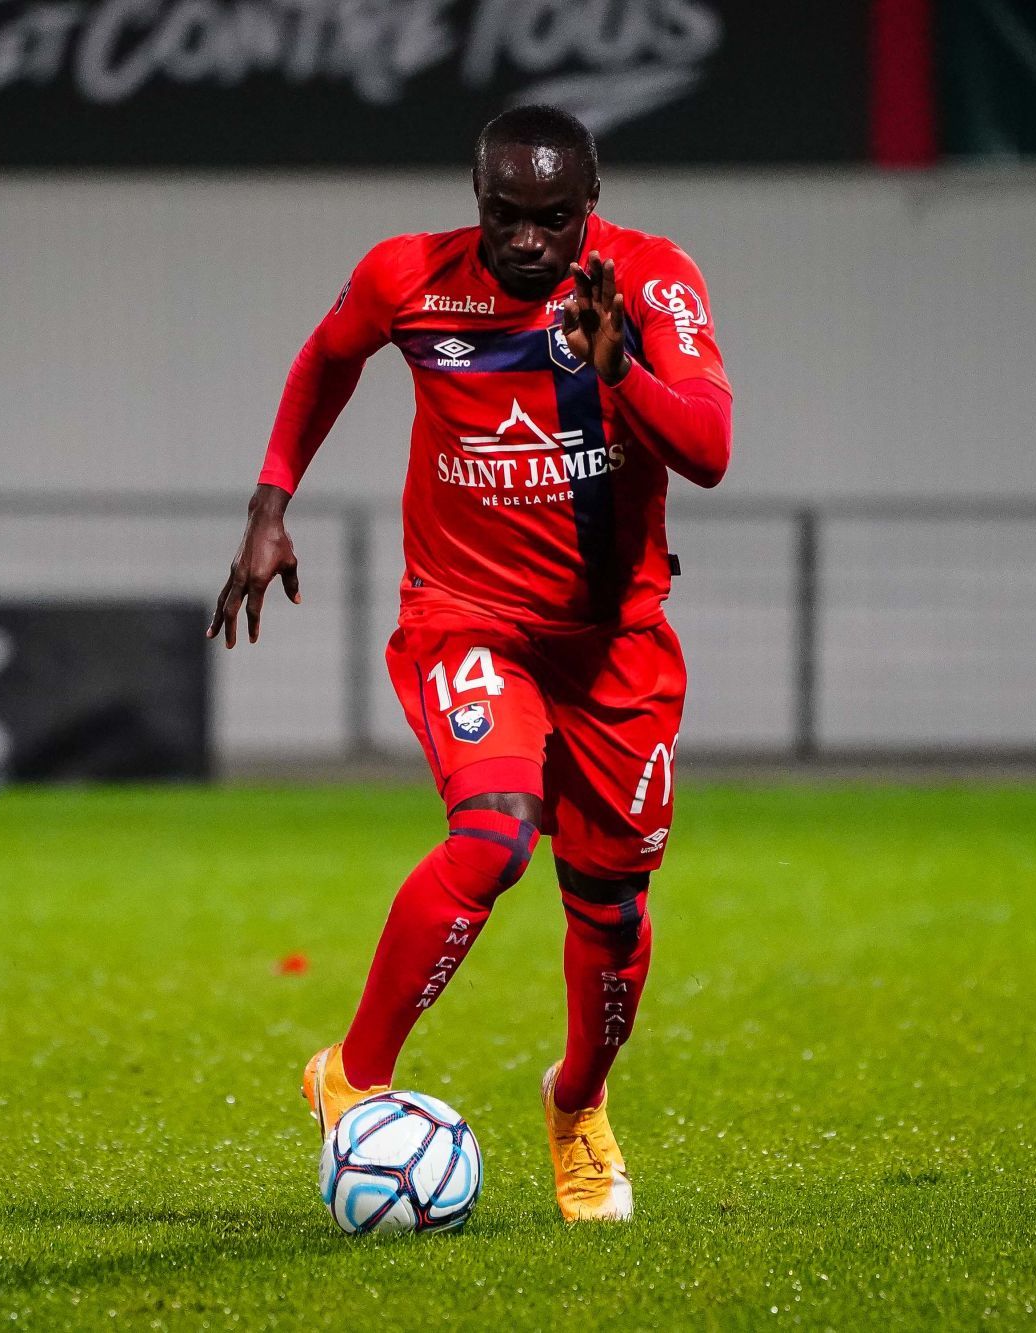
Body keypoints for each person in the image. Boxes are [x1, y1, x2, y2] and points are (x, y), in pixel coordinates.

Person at [208, 104, 732, 1223]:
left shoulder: (647, 281)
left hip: (612, 647)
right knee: (492, 834)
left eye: (553, 220)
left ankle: (576, 1103)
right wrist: (269, 503)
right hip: (467, 618)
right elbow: (324, 359)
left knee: (610, 911)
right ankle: (351, 1074)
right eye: (506, 215)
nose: (528, 241)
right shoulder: (408, 278)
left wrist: (617, 366)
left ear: (588, 209)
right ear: (476, 197)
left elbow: (708, 450)